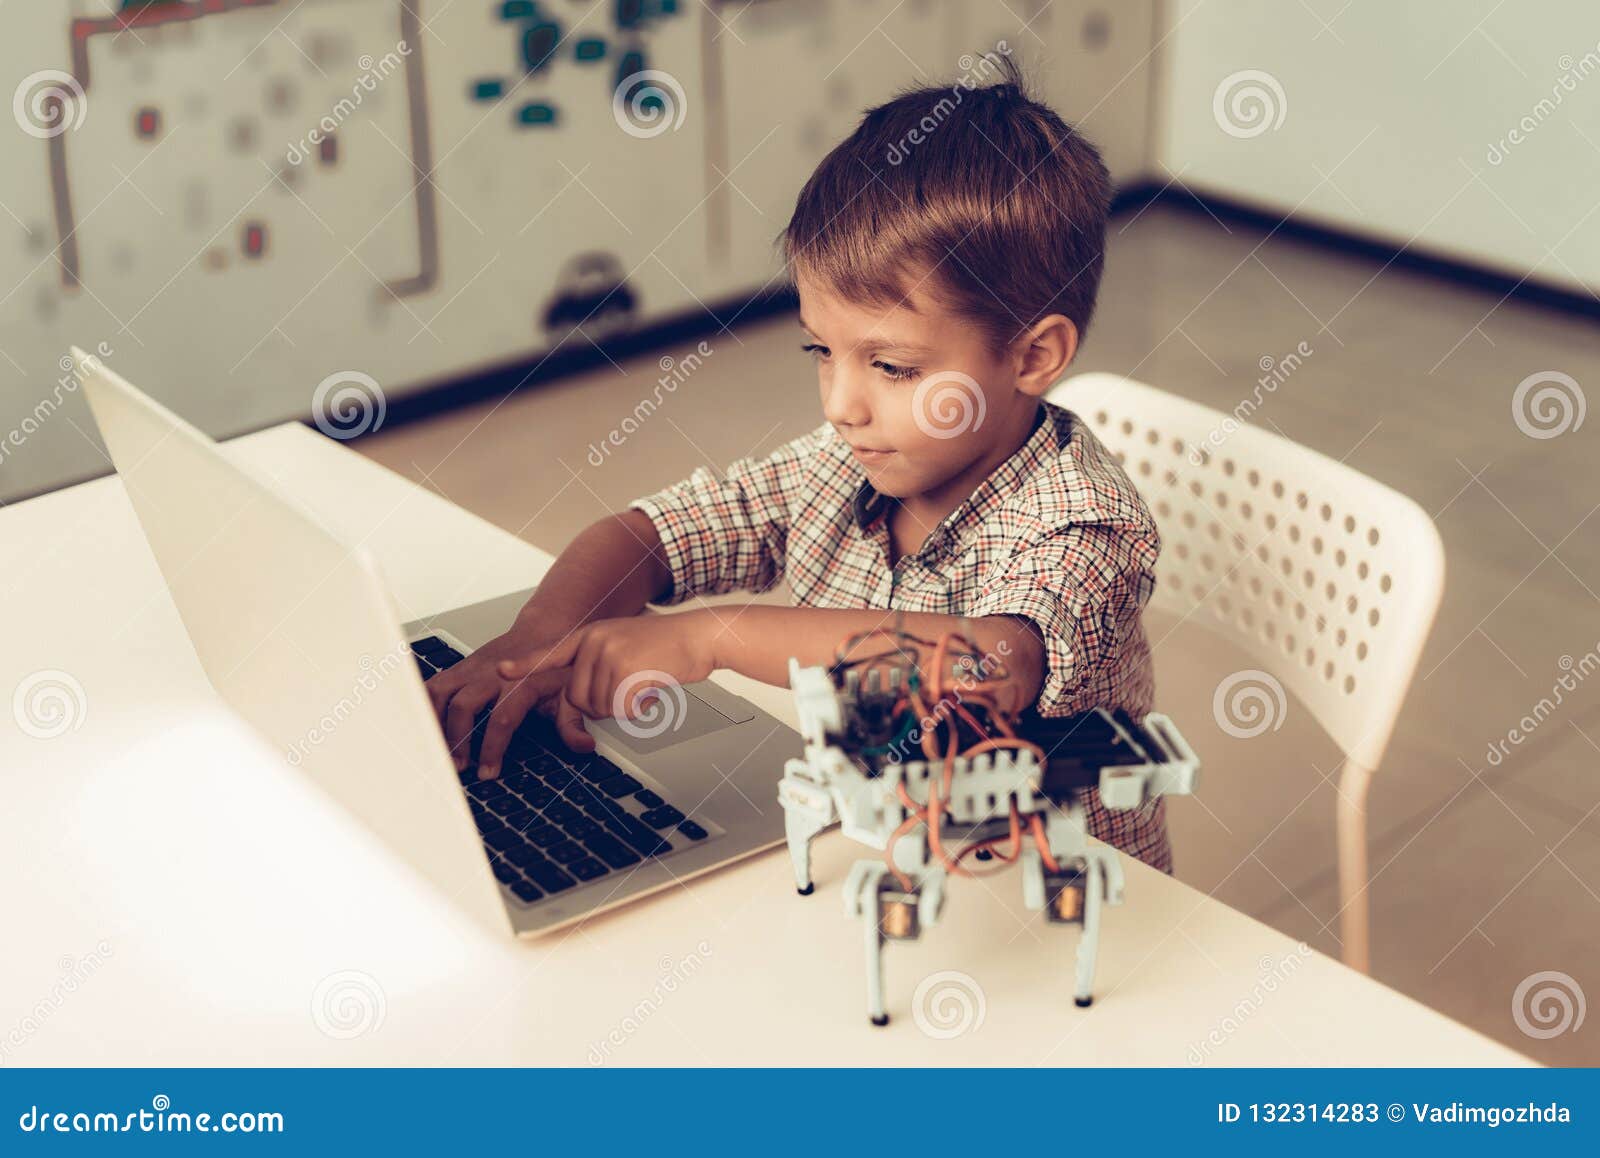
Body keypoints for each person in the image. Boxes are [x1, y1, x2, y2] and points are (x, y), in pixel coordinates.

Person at [426, 56, 1170, 872]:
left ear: (1033, 357)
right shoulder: (843, 462)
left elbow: (982, 663)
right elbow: (647, 537)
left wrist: (711, 637)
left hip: (1048, 902)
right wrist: (537, 643)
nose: (840, 405)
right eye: (823, 351)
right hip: (874, 852)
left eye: (892, 368)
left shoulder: (1086, 523)